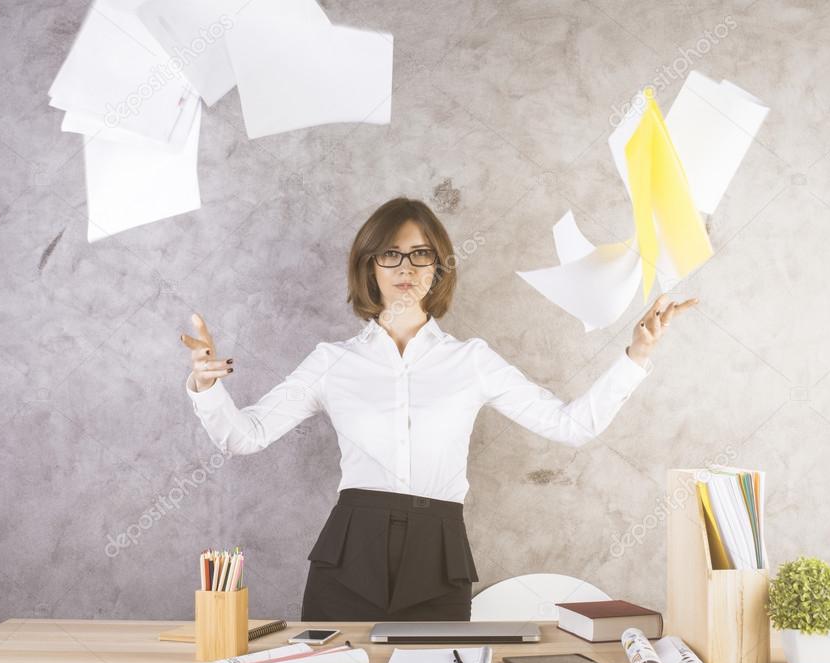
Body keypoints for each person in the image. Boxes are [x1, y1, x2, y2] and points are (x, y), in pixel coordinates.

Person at [179, 197, 696, 622]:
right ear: (369, 266)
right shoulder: (331, 362)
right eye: (391, 254)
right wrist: (205, 385)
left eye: (421, 254)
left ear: (439, 266)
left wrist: (637, 355)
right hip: (346, 559)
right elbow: (243, 436)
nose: (407, 268)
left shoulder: (472, 361)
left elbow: (573, 425)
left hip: (439, 557)